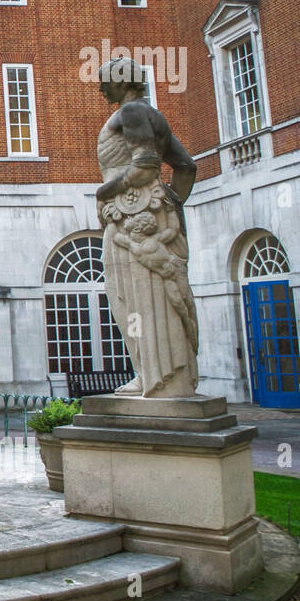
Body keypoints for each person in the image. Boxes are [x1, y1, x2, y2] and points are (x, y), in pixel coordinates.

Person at [96, 58, 200, 398]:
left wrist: (105, 190)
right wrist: (169, 203)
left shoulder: (132, 113)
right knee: (139, 299)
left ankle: (154, 377)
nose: (100, 88)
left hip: (129, 217)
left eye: (106, 81)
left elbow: (145, 165)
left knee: (132, 300)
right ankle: (158, 374)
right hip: (140, 215)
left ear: (124, 82)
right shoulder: (153, 114)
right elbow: (186, 167)